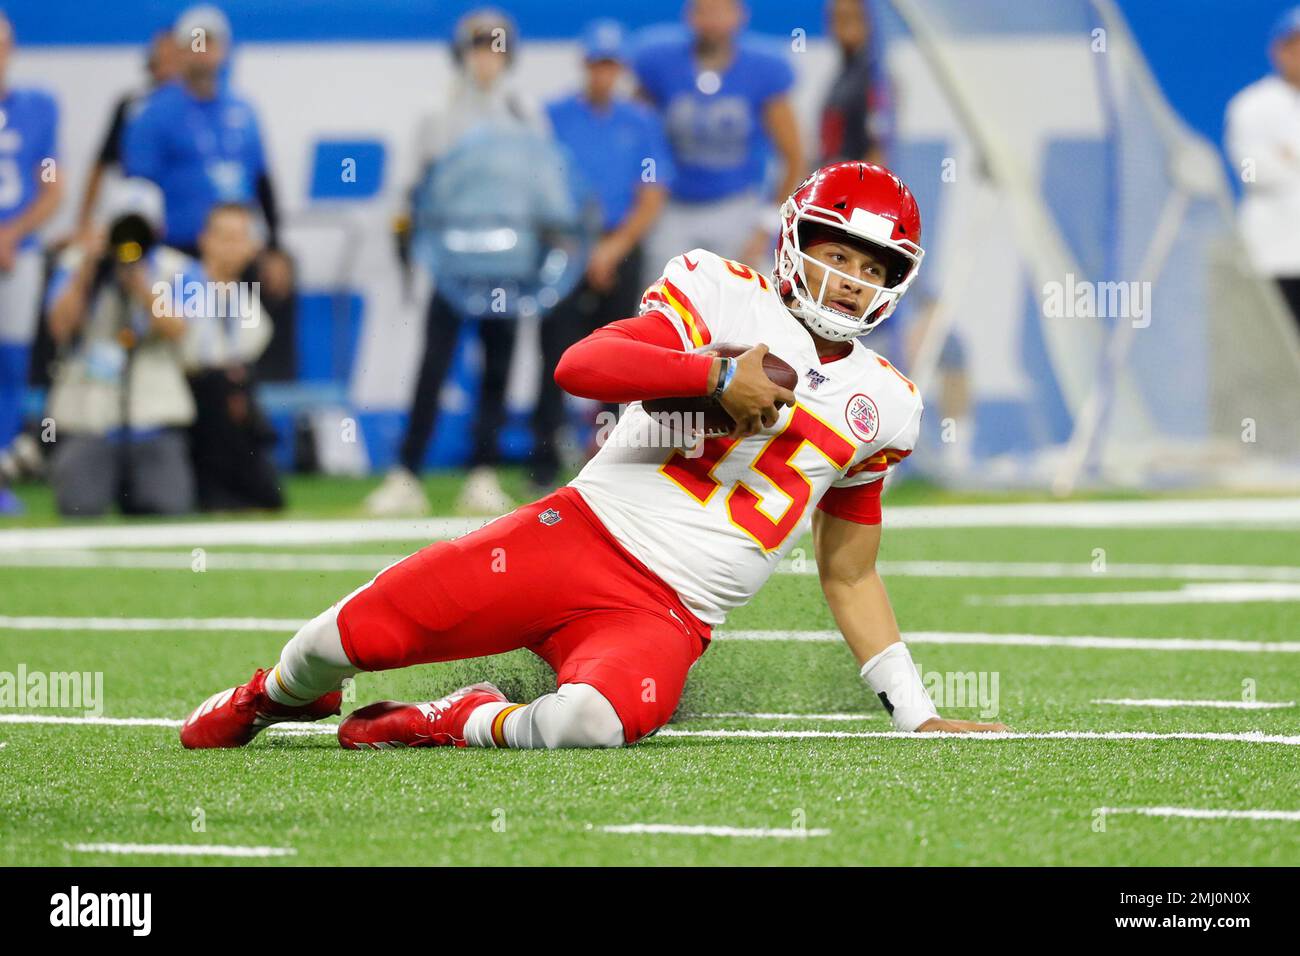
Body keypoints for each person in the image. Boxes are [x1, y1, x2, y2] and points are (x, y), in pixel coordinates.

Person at [178, 162, 1007, 752]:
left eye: (873, 266)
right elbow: (582, 366)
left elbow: (852, 572)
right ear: (796, 238)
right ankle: (272, 697)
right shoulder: (720, 292)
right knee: (346, 637)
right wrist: (714, 375)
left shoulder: (887, 403)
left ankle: (451, 719)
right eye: (835, 251)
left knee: (591, 724)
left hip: (668, 616)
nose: (851, 279)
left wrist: (914, 710)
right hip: (572, 536)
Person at [364, 7, 550, 518]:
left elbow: (541, 185)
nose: (485, 57)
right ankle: (407, 475)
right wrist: (409, 241)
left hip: (508, 262)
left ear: (508, 54)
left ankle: (482, 474)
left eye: (495, 45)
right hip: (452, 261)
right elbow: (412, 187)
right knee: (434, 364)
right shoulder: (436, 114)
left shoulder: (523, 112)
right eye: (477, 45)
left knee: (498, 367)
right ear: (460, 52)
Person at [529, 19, 675, 489]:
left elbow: (651, 194)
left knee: (622, 359)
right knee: (555, 354)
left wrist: (612, 249)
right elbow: (541, 188)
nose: (602, 74)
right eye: (596, 64)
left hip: (620, 244)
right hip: (564, 244)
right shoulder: (554, 116)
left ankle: (613, 465)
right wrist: (580, 247)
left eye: (610, 65)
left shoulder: (640, 122)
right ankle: (544, 463)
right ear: (584, 65)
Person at [122, 6, 294, 348]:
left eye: (211, 43)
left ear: (226, 49)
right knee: (186, 345)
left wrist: (274, 247)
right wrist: (140, 260)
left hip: (236, 253)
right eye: (195, 43)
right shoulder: (153, 115)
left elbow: (262, 182)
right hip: (178, 254)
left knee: (245, 342)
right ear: (179, 50)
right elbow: (137, 192)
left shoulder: (243, 111)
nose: (203, 53)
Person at [632, 0, 804, 281]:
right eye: (703, 11)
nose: (711, 21)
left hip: (736, 206)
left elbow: (794, 155)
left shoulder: (763, 68)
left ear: (740, 15)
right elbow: (637, 136)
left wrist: (766, 225)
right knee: (660, 302)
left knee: (739, 305)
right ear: (689, 15)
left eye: (720, 11)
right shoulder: (659, 61)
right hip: (673, 206)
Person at [44, 212, 195, 516]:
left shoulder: (176, 267)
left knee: (168, 508)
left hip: (153, 421)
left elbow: (180, 330)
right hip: (91, 420)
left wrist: (141, 285)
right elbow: (59, 328)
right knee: (78, 507)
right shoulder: (76, 264)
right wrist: (88, 269)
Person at [179, 202, 282, 511]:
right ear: (204, 240)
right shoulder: (178, 286)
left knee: (269, 498)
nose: (231, 247)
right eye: (224, 236)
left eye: (240, 238)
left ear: (252, 247)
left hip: (230, 415)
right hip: (188, 408)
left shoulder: (250, 308)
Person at [0, 12, 62, 513]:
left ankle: (1, 469)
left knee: (12, 364)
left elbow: (51, 186)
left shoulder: (37, 108)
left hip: (15, 256)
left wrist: (13, 233)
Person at [1225, 5, 1300, 332]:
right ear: (1277, 50)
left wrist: (1287, 155)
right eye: (1294, 44)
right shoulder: (1252, 105)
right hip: (1274, 258)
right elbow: (1251, 172)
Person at [74, 27, 178, 238]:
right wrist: (84, 222)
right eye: (161, 55)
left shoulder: (202, 109)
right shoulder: (133, 105)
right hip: (139, 214)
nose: (166, 63)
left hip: (182, 217)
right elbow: (102, 162)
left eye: (173, 56)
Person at [819, 0, 891, 166]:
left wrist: (865, 190)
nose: (839, 28)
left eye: (848, 18)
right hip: (836, 182)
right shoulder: (843, 75)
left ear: (868, 22)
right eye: (834, 19)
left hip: (856, 185)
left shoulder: (873, 76)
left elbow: (879, 148)